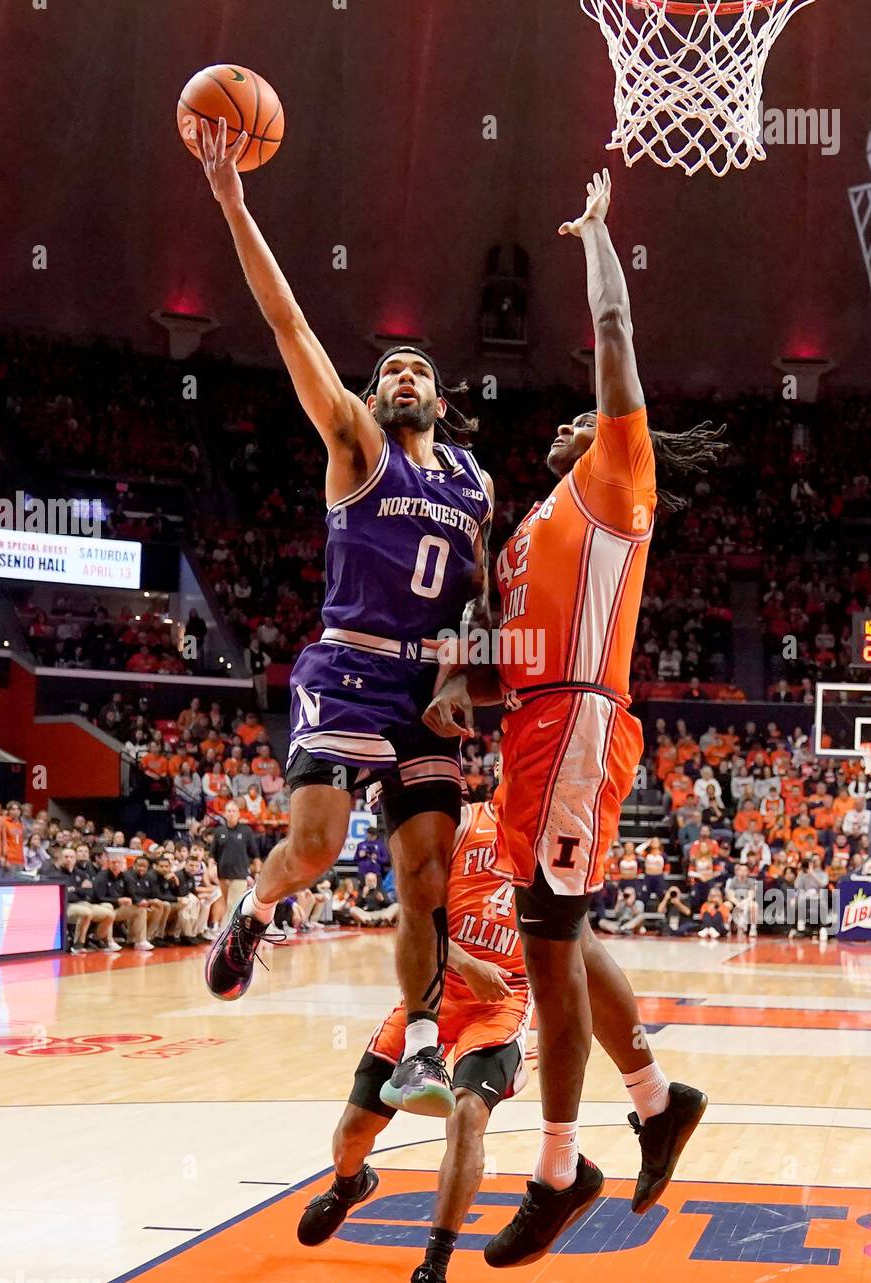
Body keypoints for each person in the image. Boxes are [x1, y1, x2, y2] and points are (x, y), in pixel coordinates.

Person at [426, 171, 717, 1264]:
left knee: (548, 950)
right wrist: (462, 680)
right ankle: (653, 1100)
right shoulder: (524, 527)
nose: (569, 418)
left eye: (581, 414)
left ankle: (559, 1164)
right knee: (566, 931)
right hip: (528, 733)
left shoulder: (613, 478)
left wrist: (596, 237)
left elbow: (609, 330)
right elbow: (504, 662)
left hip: (578, 727)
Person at [196, 114, 494, 1121]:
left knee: (427, 871)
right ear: (374, 396)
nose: (401, 377)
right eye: (389, 371)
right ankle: (256, 905)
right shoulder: (354, 442)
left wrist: (459, 671)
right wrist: (237, 203)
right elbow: (290, 327)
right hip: (346, 666)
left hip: (423, 688)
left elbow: (480, 595)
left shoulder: (474, 482)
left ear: (442, 402)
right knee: (318, 845)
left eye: (419, 372)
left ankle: (416, 1041)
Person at [296, 798, 532, 1283]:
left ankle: (434, 1267)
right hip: (434, 987)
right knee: (353, 1134)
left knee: (467, 1115)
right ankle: (348, 1184)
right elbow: (418, 910)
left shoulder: (557, 838)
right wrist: (465, 963)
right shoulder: (464, 820)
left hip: (502, 1001)